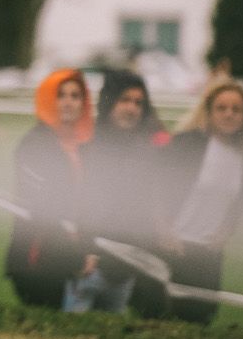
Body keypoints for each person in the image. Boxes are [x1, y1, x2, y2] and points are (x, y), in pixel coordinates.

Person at [154, 79, 243, 324]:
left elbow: (238, 203)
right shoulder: (186, 143)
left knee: (200, 323)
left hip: (208, 254)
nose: (228, 114)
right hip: (172, 246)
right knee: (162, 324)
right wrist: (163, 228)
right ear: (209, 112)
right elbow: (154, 188)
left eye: (236, 109)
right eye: (221, 108)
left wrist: (225, 232)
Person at [66, 70, 168, 314]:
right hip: (84, 268)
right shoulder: (85, 146)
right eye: (124, 100)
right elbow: (74, 206)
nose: (132, 108)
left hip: (123, 274)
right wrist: (81, 254)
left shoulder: (147, 153)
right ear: (109, 101)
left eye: (138, 102)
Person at [4, 69, 92, 309]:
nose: (68, 103)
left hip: (75, 255)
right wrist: (76, 252)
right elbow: (39, 205)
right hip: (39, 256)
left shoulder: (86, 147)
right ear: (47, 99)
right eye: (60, 95)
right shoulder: (34, 144)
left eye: (75, 96)